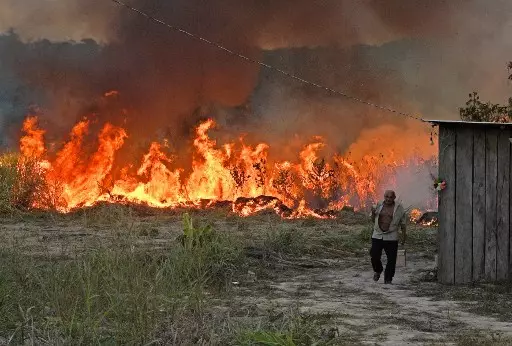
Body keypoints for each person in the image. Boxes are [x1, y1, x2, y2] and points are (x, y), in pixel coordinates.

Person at [370, 190, 407, 284]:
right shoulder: (379, 205)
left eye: (391, 197)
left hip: (391, 236)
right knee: (374, 255)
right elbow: (372, 219)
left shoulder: (399, 208)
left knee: (391, 259)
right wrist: (373, 213)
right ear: (384, 196)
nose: (388, 199)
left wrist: (403, 236)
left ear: (394, 198)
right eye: (386, 197)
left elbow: (403, 223)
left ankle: (388, 279)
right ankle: (378, 270)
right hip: (378, 234)